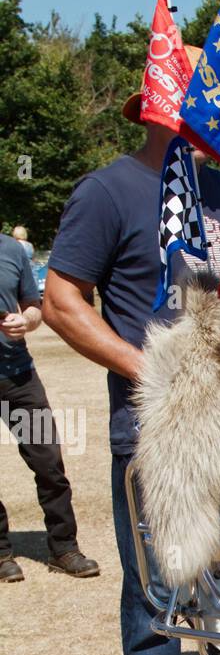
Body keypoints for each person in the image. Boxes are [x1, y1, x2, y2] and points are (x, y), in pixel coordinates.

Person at [42, 47, 220, 655]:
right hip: (157, 434)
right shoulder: (107, 190)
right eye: (208, 98)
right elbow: (62, 298)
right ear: (170, 104)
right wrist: (147, 371)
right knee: (159, 592)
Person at [0, 229, 98, 584]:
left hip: (18, 375)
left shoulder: (12, 250)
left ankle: (64, 548)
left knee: (48, 462)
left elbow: (33, 307)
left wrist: (23, 321)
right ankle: (1, 555)